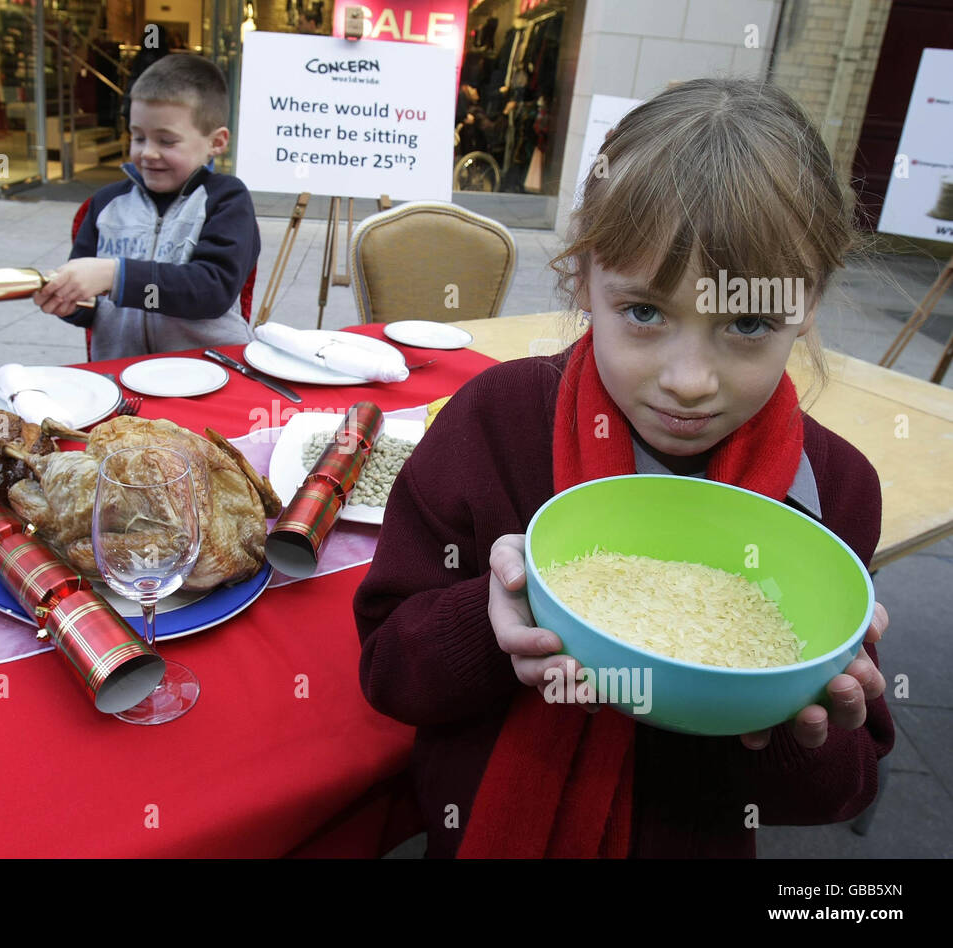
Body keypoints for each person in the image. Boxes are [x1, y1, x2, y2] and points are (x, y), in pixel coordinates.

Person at [352, 78, 894, 858]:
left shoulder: (834, 487)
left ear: (807, 306)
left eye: (746, 322)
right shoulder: (497, 423)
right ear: (583, 281)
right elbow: (386, 667)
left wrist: (791, 717)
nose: (688, 378)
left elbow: (843, 785)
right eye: (644, 312)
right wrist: (493, 622)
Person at [35, 54, 259, 360]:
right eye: (138, 137)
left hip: (209, 374)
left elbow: (212, 290)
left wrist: (115, 275)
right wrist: (71, 303)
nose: (148, 153)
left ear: (216, 142)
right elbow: (94, 308)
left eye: (166, 141)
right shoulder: (105, 204)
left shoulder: (227, 200)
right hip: (123, 374)